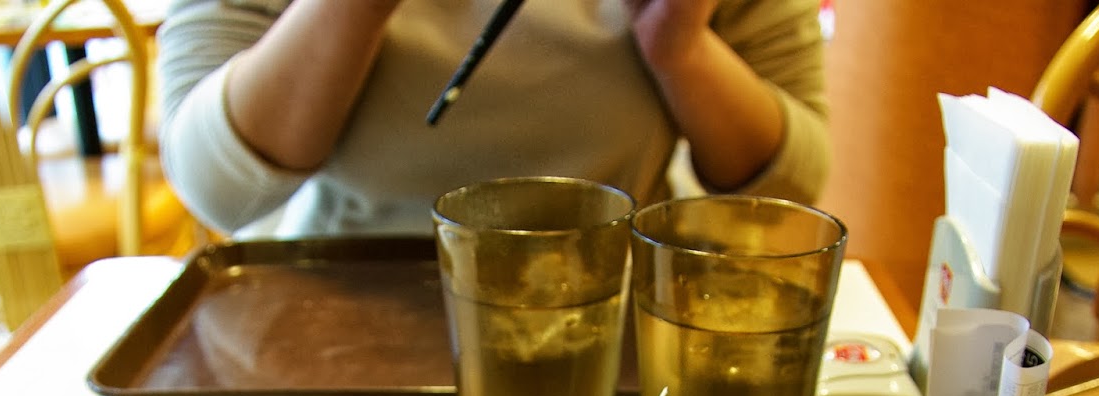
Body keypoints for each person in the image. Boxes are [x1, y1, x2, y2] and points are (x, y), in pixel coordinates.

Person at [157, 0, 830, 238]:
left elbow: (786, 197)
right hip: (337, 313)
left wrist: (679, 48)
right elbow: (213, 189)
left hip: (621, 318)